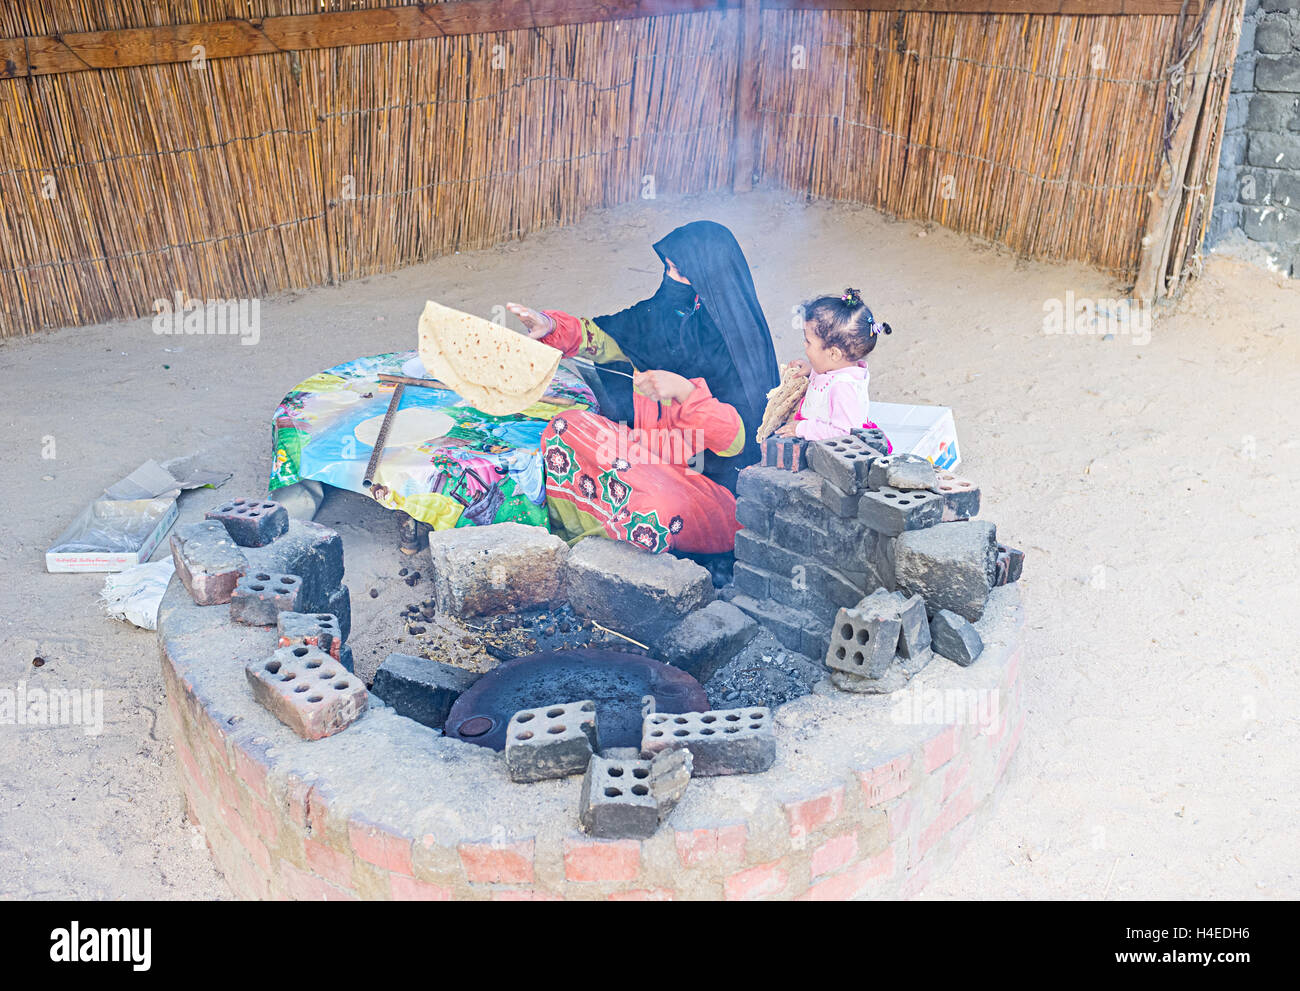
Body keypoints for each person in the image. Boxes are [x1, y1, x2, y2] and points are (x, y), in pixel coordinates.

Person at [507, 221, 778, 558]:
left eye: (681, 273)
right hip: (648, 456)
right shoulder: (661, 315)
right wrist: (551, 326)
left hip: (709, 488)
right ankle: (589, 532)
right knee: (567, 427)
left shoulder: (738, 345)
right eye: (668, 268)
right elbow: (606, 339)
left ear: (711, 279)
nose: (671, 280)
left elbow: (740, 438)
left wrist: (685, 392)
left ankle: (602, 550)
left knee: (657, 508)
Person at [777, 287, 892, 441]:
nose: (804, 345)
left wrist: (801, 428)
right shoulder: (837, 368)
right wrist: (812, 370)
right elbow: (828, 376)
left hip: (829, 453)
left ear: (834, 353)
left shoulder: (843, 388)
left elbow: (844, 432)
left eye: (808, 342)